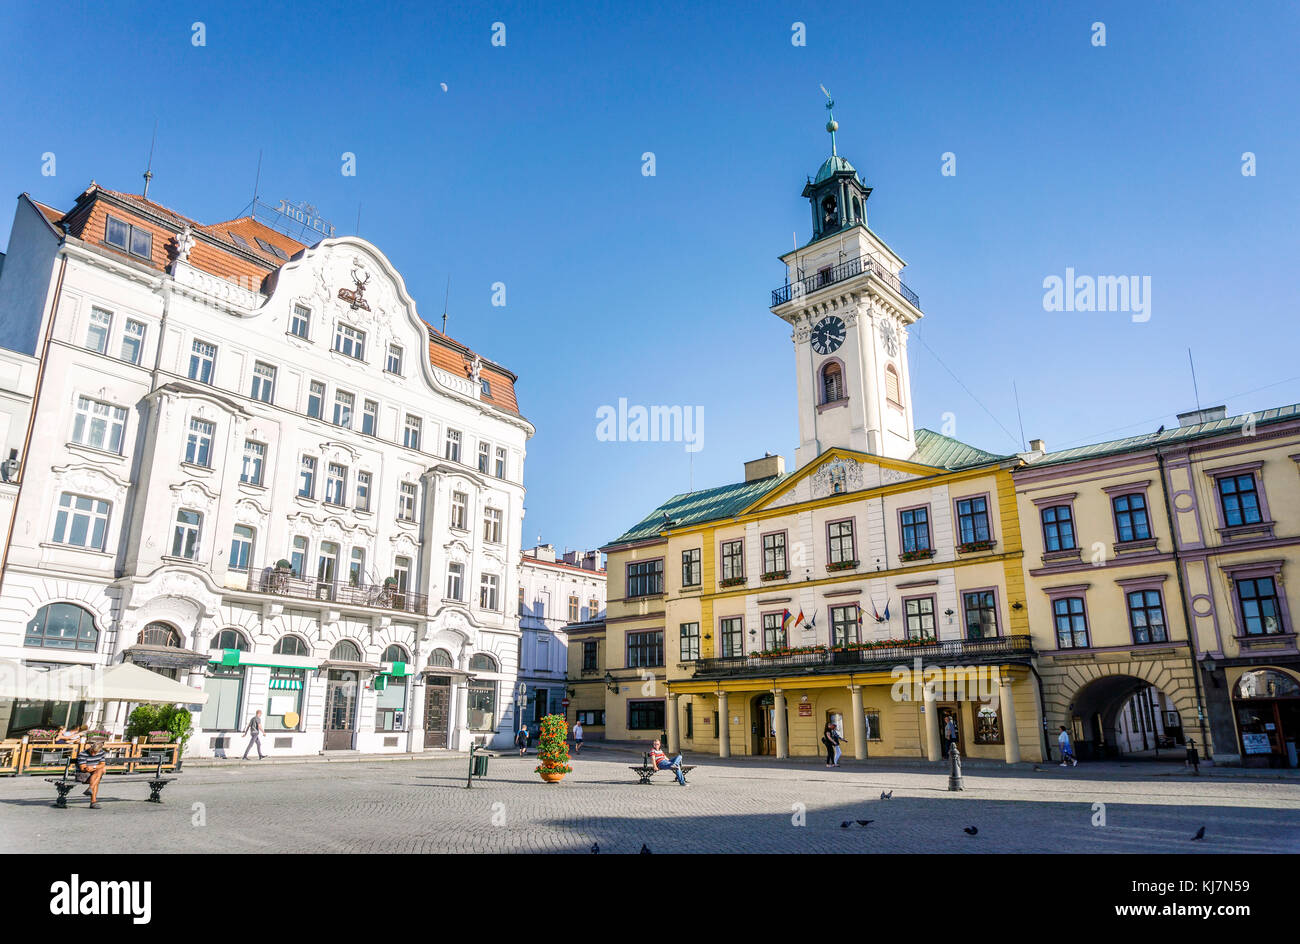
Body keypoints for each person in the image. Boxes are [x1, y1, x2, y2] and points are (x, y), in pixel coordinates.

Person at [76, 739, 108, 809]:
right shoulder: (83, 754)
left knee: (99, 772)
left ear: (99, 750)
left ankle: (91, 788)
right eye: (92, 751)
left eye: (95, 753)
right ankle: (93, 802)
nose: (93, 754)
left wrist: (93, 767)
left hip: (94, 774)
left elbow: (102, 764)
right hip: (83, 775)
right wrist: (89, 768)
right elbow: (82, 768)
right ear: (91, 747)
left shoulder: (102, 753)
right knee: (98, 775)